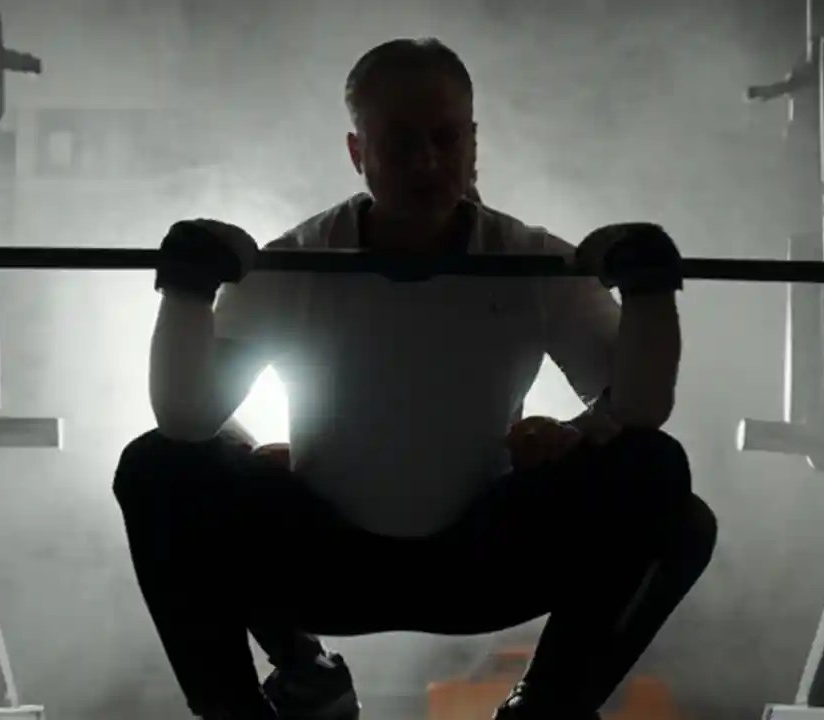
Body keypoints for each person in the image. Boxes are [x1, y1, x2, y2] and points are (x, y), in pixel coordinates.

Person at [113, 37, 717, 720]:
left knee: (661, 482)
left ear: (473, 144)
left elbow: (640, 410)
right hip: (325, 565)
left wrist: (645, 301)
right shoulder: (297, 260)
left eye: (445, 138)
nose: (426, 161)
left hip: (480, 564)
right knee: (157, 468)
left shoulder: (530, 260)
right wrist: (186, 292)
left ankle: (542, 712)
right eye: (400, 142)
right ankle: (273, 694)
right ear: (358, 152)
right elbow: (186, 420)